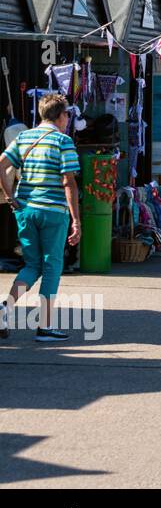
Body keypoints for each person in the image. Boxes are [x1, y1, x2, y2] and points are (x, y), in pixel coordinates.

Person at [0, 93, 82, 342]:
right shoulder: (63, 141)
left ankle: (4, 309)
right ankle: (45, 326)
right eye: (67, 114)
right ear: (59, 116)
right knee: (52, 266)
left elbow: (1, 165)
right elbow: (69, 182)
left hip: (25, 211)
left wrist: (10, 196)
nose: (68, 119)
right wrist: (76, 220)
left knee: (32, 265)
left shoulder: (24, 137)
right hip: (53, 213)